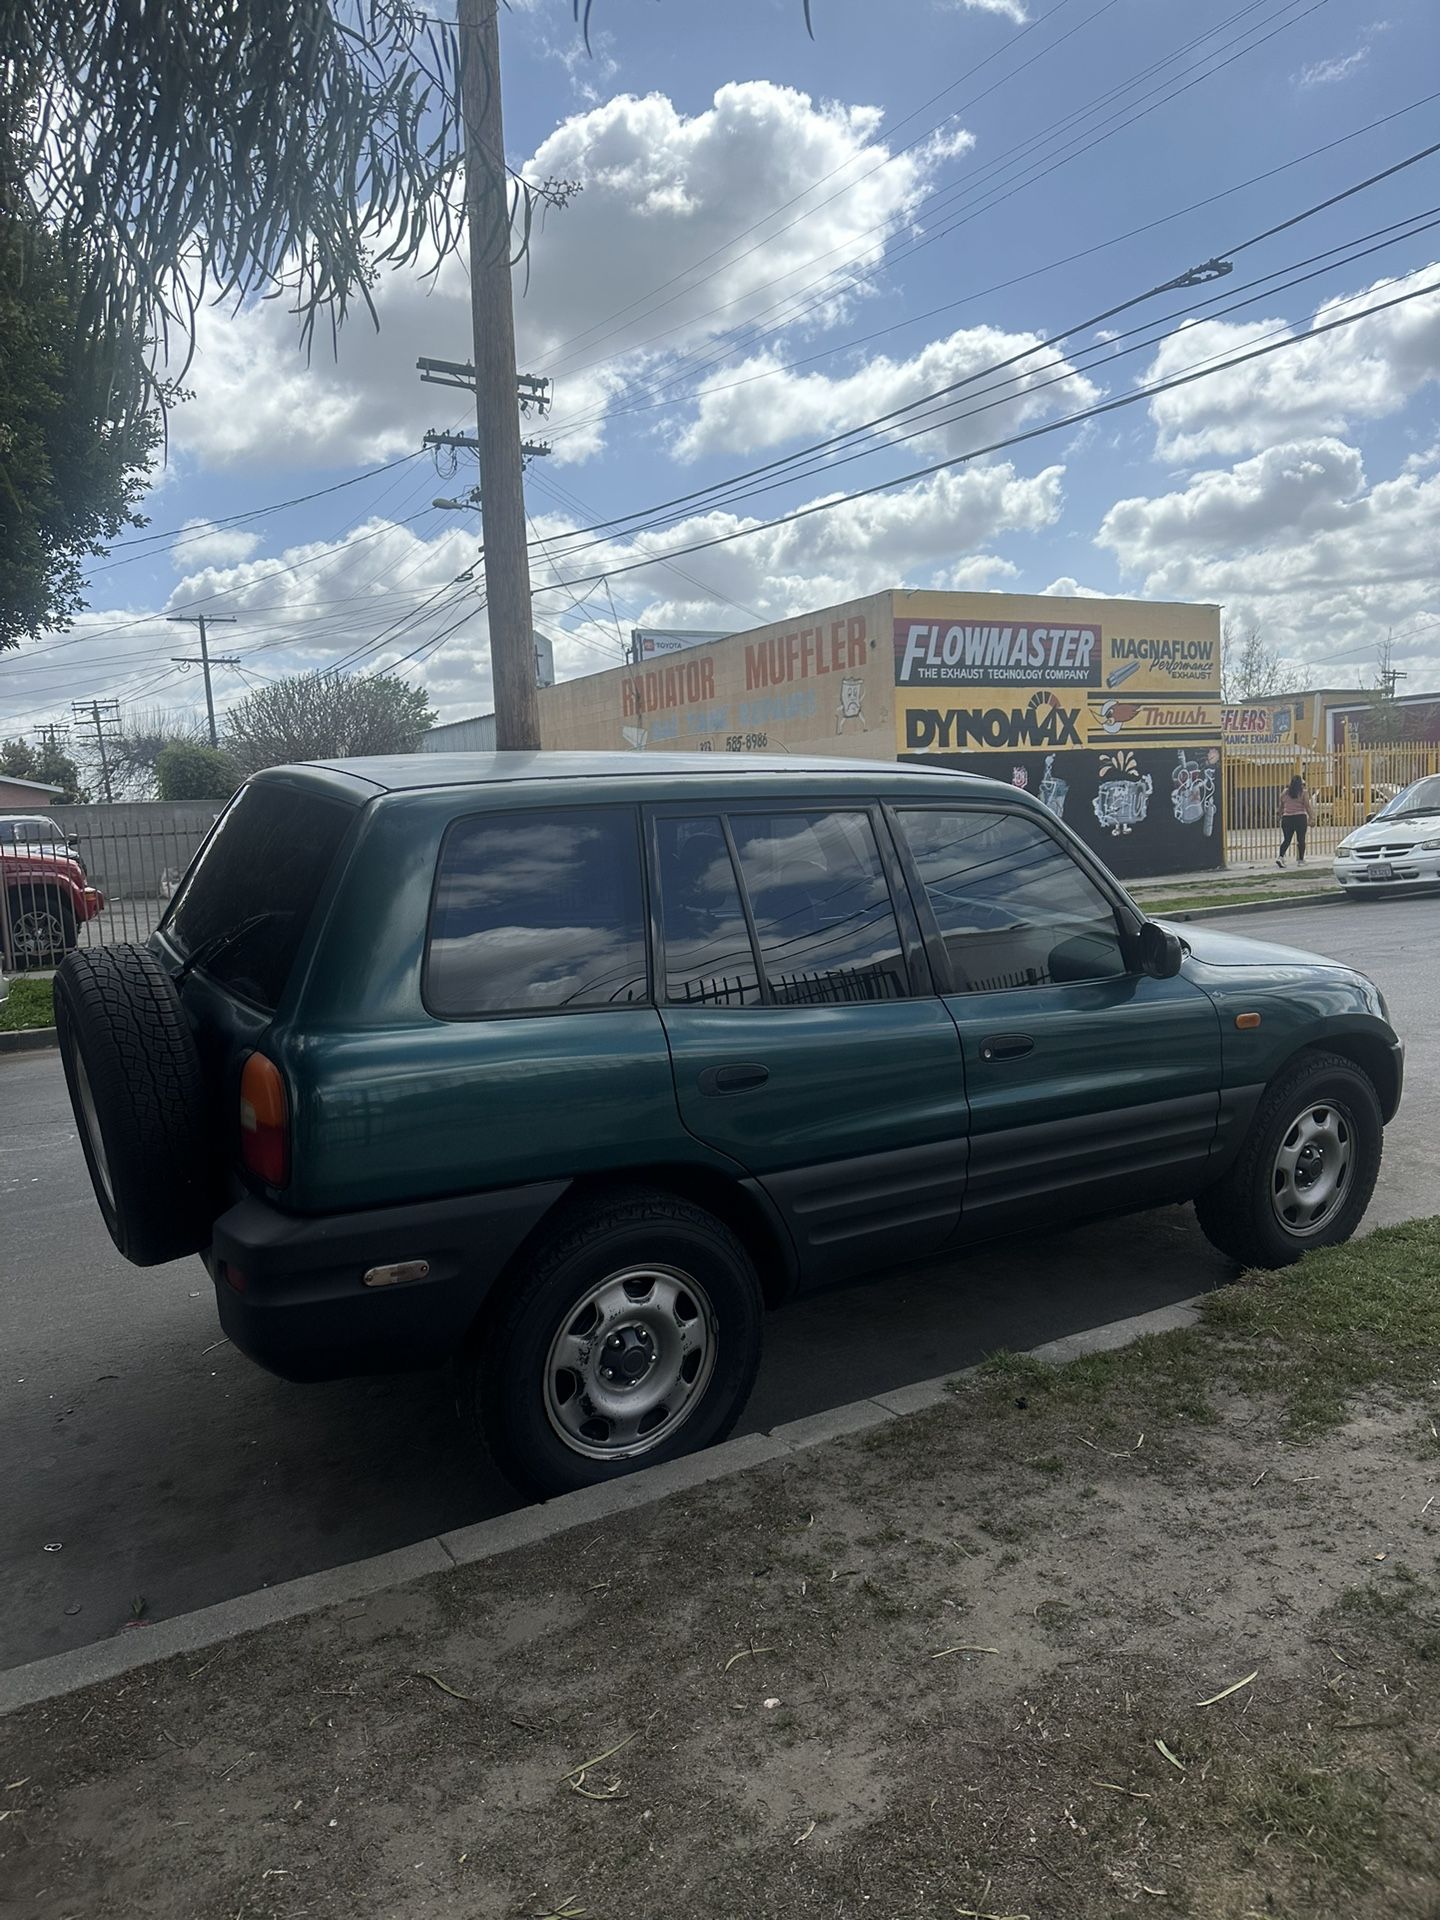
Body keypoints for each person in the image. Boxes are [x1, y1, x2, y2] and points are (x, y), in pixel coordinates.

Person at [1277, 773, 1313, 866]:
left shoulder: (1285, 792)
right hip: (1300, 818)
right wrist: (1312, 817)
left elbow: (1281, 806)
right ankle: (1300, 860)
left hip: (1287, 818)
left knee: (1287, 840)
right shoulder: (1303, 793)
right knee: (1301, 840)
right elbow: (1307, 806)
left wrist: (1279, 816)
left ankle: (1280, 857)